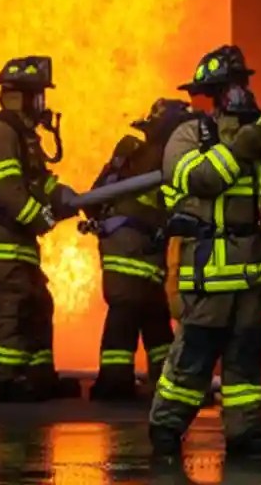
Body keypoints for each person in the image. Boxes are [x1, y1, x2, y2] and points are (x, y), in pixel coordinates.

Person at [148, 45, 261, 465]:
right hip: (207, 271)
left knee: (245, 362)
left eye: (241, 86)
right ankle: (166, 427)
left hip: (248, 274)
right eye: (229, 89)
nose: (239, 95)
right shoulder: (188, 135)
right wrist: (239, 147)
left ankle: (246, 431)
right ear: (210, 96)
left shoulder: (255, 139)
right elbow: (201, 178)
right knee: (191, 359)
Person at [0, 55, 81, 403]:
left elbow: (37, 182)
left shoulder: (23, 136)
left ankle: (37, 376)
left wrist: (65, 197)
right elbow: (6, 189)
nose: (43, 105)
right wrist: (39, 217)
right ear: (24, 97)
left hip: (17, 242)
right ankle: (4, 380)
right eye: (39, 96)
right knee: (13, 304)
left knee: (38, 303)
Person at [87, 98, 193, 401]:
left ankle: (161, 382)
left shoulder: (134, 154)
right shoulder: (164, 159)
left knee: (153, 314)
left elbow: (94, 202)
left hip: (131, 248)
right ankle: (115, 383)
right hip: (133, 251)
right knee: (129, 311)